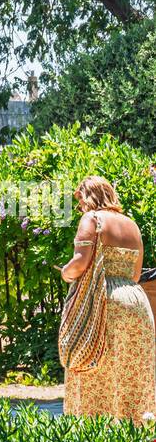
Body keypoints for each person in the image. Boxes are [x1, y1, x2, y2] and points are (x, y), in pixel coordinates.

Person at [61, 175, 156, 424]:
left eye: (81, 199)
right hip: (136, 301)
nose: (81, 206)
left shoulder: (92, 219)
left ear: (90, 196)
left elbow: (80, 262)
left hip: (105, 301)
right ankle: (138, 433)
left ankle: (96, 435)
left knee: (93, 368)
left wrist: (66, 272)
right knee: (131, 371)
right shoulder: (132, 225)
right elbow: (135, 273)